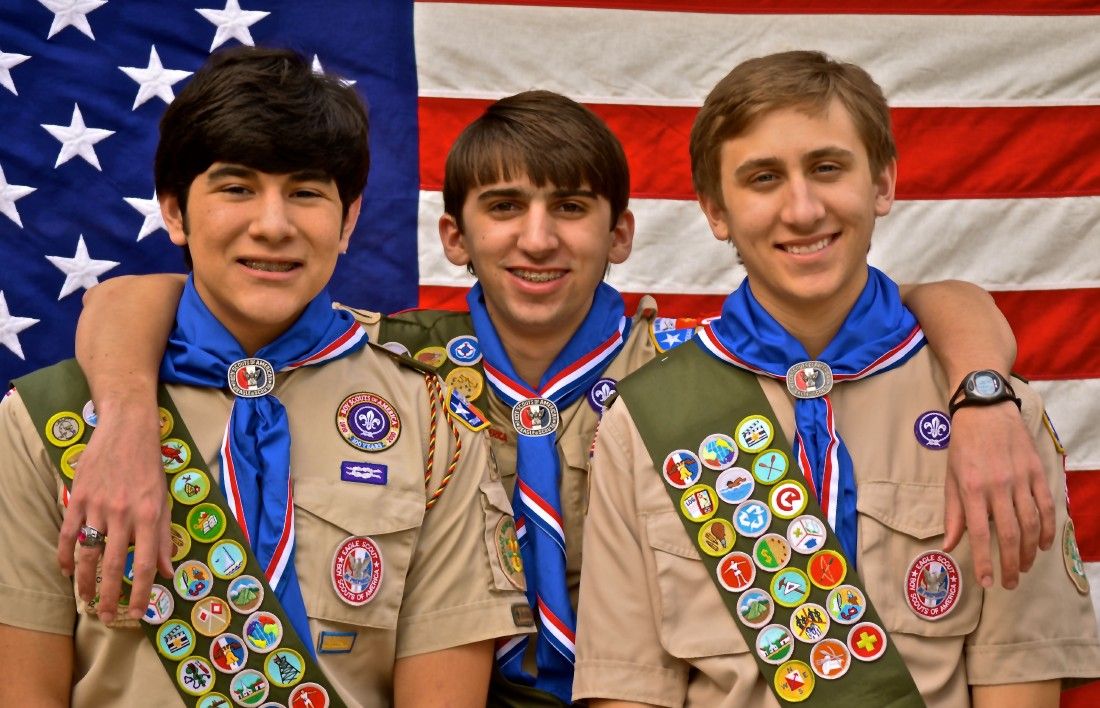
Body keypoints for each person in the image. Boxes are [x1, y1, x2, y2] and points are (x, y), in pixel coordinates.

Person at [68, 91, 1044, 704]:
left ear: (621, 235)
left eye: (569, 209)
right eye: (502, 209)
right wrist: (118, 413)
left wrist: (981, 386)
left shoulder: (694, 379)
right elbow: (142, 296)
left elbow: (928, 303)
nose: (537, 240)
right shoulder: (393, 367)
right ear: (453, 240)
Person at [0, 47, 529, 707]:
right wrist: (126, 416)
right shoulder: (52, 419)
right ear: (173, 211)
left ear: (349, 220)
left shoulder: (432, 421)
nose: (273, 225)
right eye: (236, 187)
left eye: (306, 192)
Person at [572, 50, 1099, 707]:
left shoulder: (991, 416)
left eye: (827, 168)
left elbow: (1018, 680)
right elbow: (629, 688)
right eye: (763, 178)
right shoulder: (649, 420)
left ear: (882, 184)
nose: (801, 208)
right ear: (715, 211)